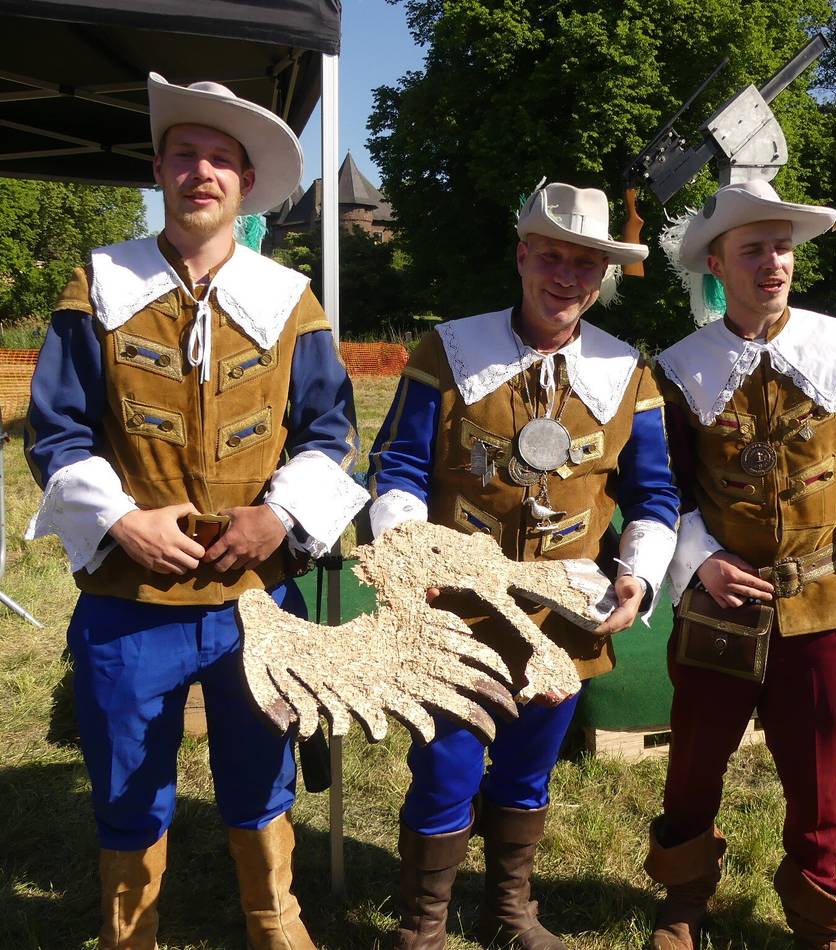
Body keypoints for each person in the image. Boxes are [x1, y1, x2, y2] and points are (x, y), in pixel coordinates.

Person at [24, 73, 367, 949]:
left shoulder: (289, 300)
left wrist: (278, 519)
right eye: (186, 155)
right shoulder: (98, 283)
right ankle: (127, 932)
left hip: (257, 600)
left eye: (221, 159)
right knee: (127, 783)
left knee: (262, 769)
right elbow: (56, 431)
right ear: (160, 169)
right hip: (128, 600)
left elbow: (330, 433)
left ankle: (273, 919)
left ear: (244, 184)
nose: (202, 172)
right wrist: (124, 522)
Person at [367, 181, 680, 950]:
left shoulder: (624, 370)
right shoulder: (451, 348)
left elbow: (654, 491)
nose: (567, 277)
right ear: (523, 254)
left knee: (527, 771)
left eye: (585, 264)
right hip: (453, 609)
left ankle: (508, 909)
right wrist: (409, 548)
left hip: (561, 615)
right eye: (553, 256)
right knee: (444, 765)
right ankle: (424, 923)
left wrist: (636, 573)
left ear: (602, 277)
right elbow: (398, 462)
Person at [646, 179, 836, 950]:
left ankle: (819, 913)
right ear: (717, 264)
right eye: (754, 249)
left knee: (821, 764)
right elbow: (665, 484)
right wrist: (699, 560)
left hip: (825, 600)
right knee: (697, 754)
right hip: (719, 603)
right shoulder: (678, 368)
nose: (774, 263)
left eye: (783, 248)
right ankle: (683, 896)